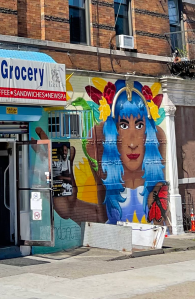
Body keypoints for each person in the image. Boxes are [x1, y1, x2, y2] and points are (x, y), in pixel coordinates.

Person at [53, 79, 170, 226]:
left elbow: (162, 224)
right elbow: (100, 217)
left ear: (149, 133)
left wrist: (158, 208)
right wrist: (70, 205)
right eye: (123, 125)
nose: (132, 144)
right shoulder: (97, 145)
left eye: (140, 125)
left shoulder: (158, 143)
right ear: (111, 133)